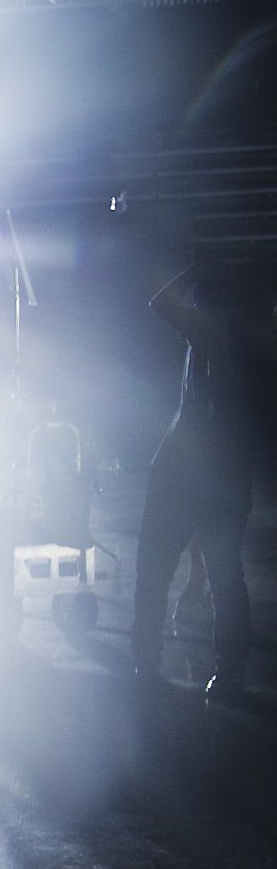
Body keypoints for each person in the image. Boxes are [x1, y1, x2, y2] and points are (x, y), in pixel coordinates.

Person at [130, 261, 265, 698]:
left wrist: (196, 266)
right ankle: (230, 677)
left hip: (182, 471)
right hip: (228, 475)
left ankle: (146, 666)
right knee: (227, 577)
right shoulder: (255, 341)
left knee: (153, 571)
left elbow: (158, 304)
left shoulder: (208, 331)